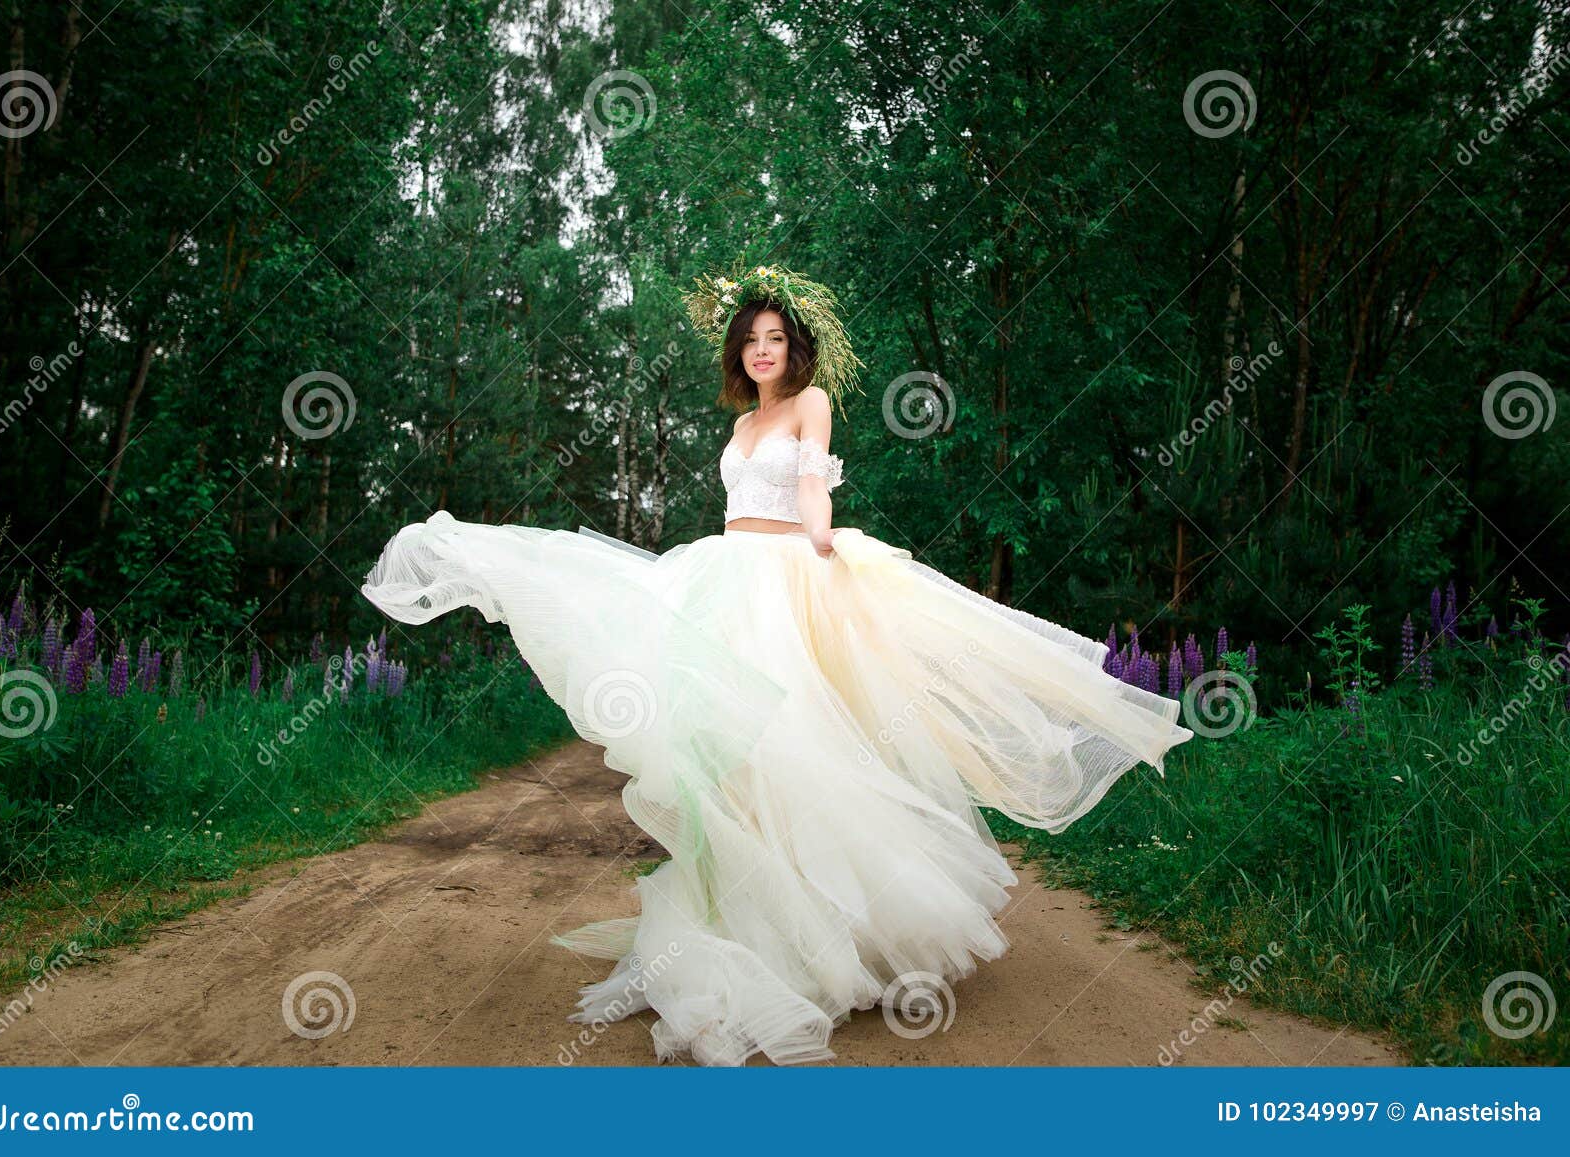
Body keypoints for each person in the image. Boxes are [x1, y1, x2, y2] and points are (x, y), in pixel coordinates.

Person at [360, 259, 1195, 1067]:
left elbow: (806, 490)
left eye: (776, 338)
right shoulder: (737, 424)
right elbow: (737, 504)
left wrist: (825, 537)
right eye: (751, 339)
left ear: (797, 350)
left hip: (787, 580)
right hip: (724, 577)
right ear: (739, 354)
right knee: (721, 762)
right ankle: (739, 920)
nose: (763, 350)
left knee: (799, 751)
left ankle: (829, 939)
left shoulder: (811, 403)